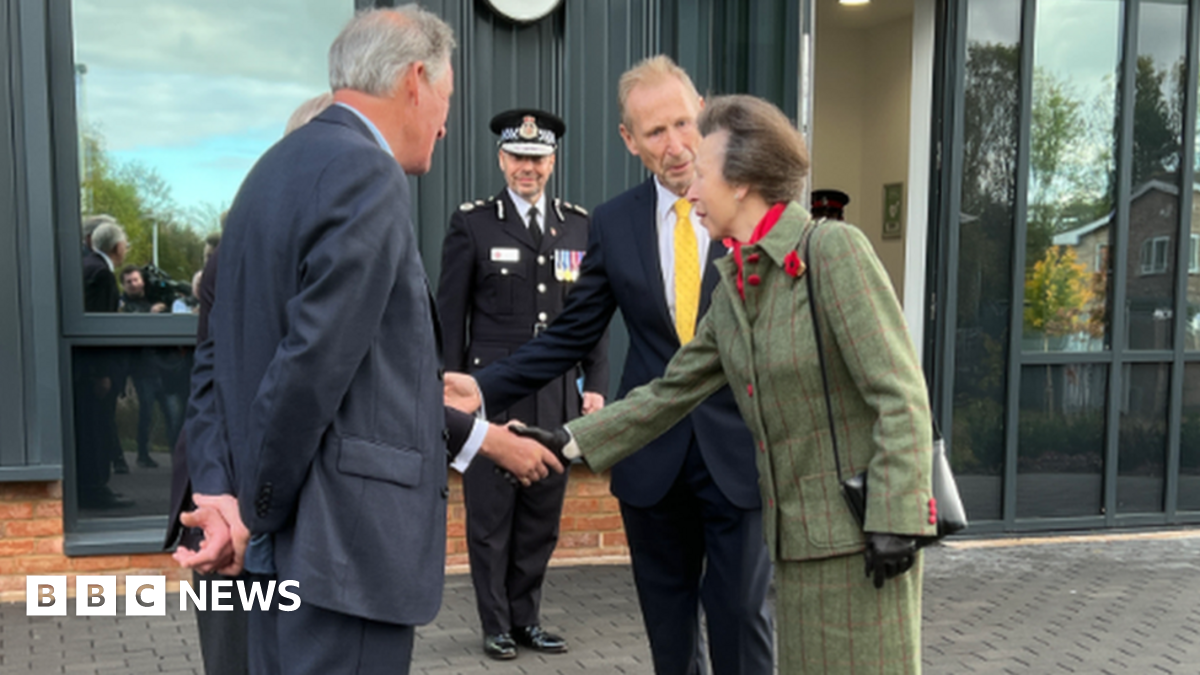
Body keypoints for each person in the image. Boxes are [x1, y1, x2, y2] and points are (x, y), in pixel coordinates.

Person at [175, 8, 562, 675]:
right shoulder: (366, 174)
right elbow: (309, 367)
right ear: (416, 79)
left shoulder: (271, 170)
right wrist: (261, 511)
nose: (444, 122)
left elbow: (260, 358)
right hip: (339, 559)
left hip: (292, 557)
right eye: (446, 99)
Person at [517, 95, 936, 674]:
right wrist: (567, 441)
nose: (689, 192)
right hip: (799, 545)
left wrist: (897, 517)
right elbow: (670, 392)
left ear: (741, 183)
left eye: (703, 175)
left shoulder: (834, 251)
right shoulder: (741, 286)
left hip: (866, 543)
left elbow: (901, 393)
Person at [446, 56, 774, 675]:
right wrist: (483, 386)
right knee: (669, 635)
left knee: (742, 624)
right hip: (651, 458)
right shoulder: (614, 222)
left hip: (740, 450)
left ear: (702, 110)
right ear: (629, 140)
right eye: (655, 132)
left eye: (682, 122)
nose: (675, 146)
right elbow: (570, 334)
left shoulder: (750, 205)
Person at [437, 108, 609, 660]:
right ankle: (496, 624)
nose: (526, 168)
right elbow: (450, 317)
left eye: (537, 159)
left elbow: (593, 315)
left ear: (552, 162)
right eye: (517, 157)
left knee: (541, 515)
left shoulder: (579, 226)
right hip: (491, 393)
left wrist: (596, 383)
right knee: (490, 518)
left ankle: (526, 619)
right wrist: (448, 396)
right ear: (501, 159)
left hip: (555, 393)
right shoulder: (473, 224)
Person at [76, 219, 134, 506]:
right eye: (125, 243)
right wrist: (101, 373)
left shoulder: (88, 267)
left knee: (95, 427)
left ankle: (93, 486)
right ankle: (96, 488)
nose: (126, 248)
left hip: (86, 368)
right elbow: (98, 324)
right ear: (116, 246)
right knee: (98, 426)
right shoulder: (101, 274)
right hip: (96, 370)